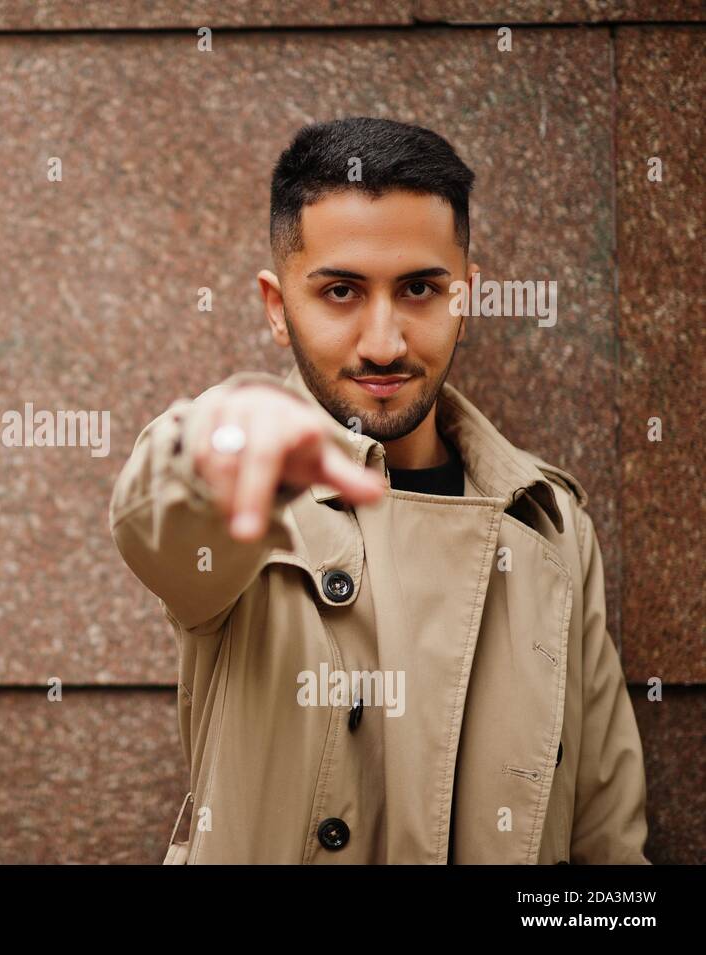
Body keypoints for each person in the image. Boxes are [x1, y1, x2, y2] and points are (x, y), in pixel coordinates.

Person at [109, 117, 650, 864]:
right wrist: (219, 440)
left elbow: (607, 849)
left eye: (421, 288)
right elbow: (163, 515)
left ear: (467, 296)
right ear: (276, 306)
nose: (384, 342)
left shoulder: (551, 524)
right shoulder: (251, 502)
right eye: (340, 291)